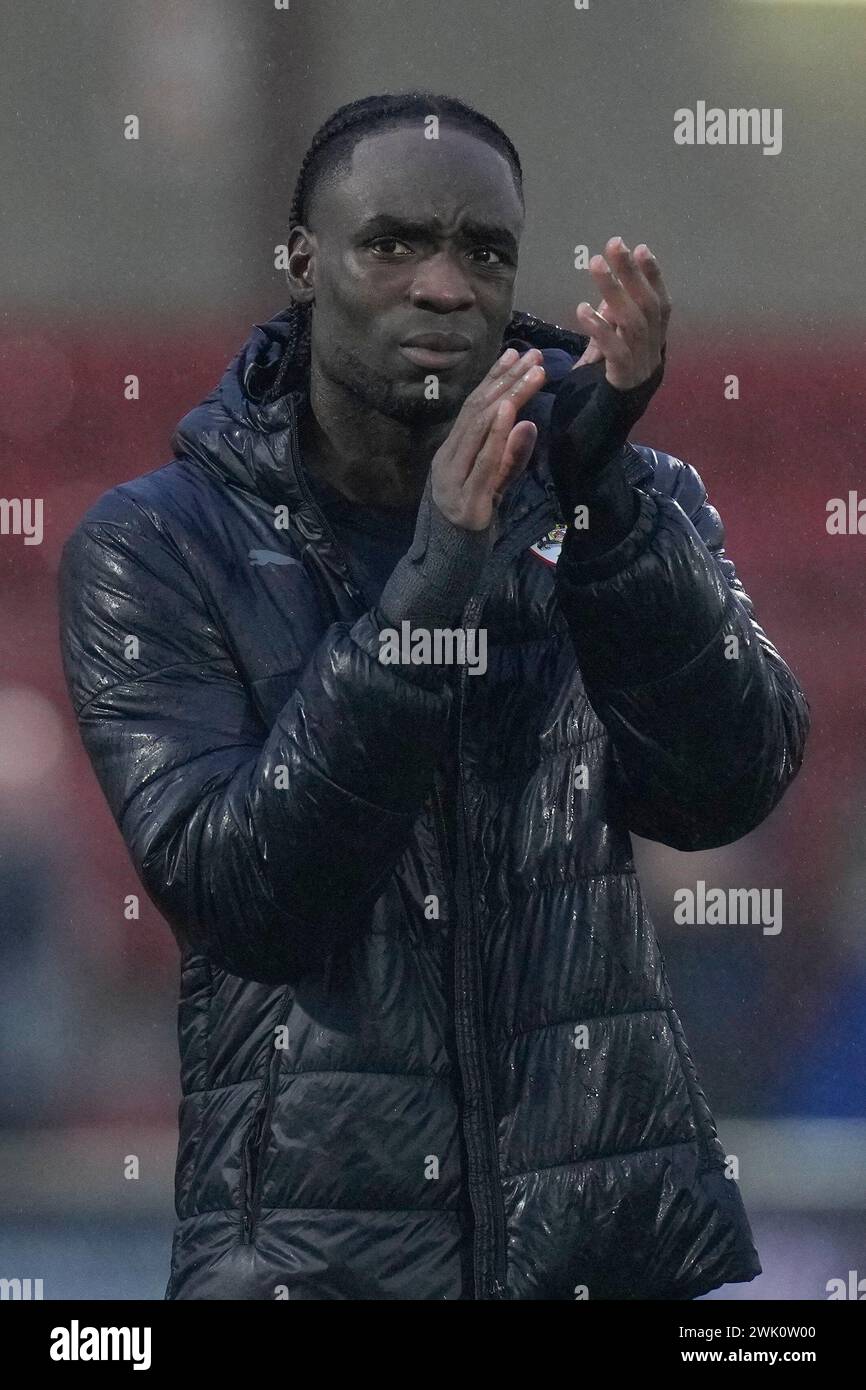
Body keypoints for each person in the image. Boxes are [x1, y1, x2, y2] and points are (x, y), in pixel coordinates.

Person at [58, 91, 810, 1300]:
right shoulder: (158, 548)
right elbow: (252, 901)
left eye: (484, 251)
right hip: (312, 1266)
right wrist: (432, 583)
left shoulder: (610, 487)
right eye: (391, 243)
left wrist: (607, 503)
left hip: (598, 1256)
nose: (445, 287)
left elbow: (724, 785)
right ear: (304, 263)